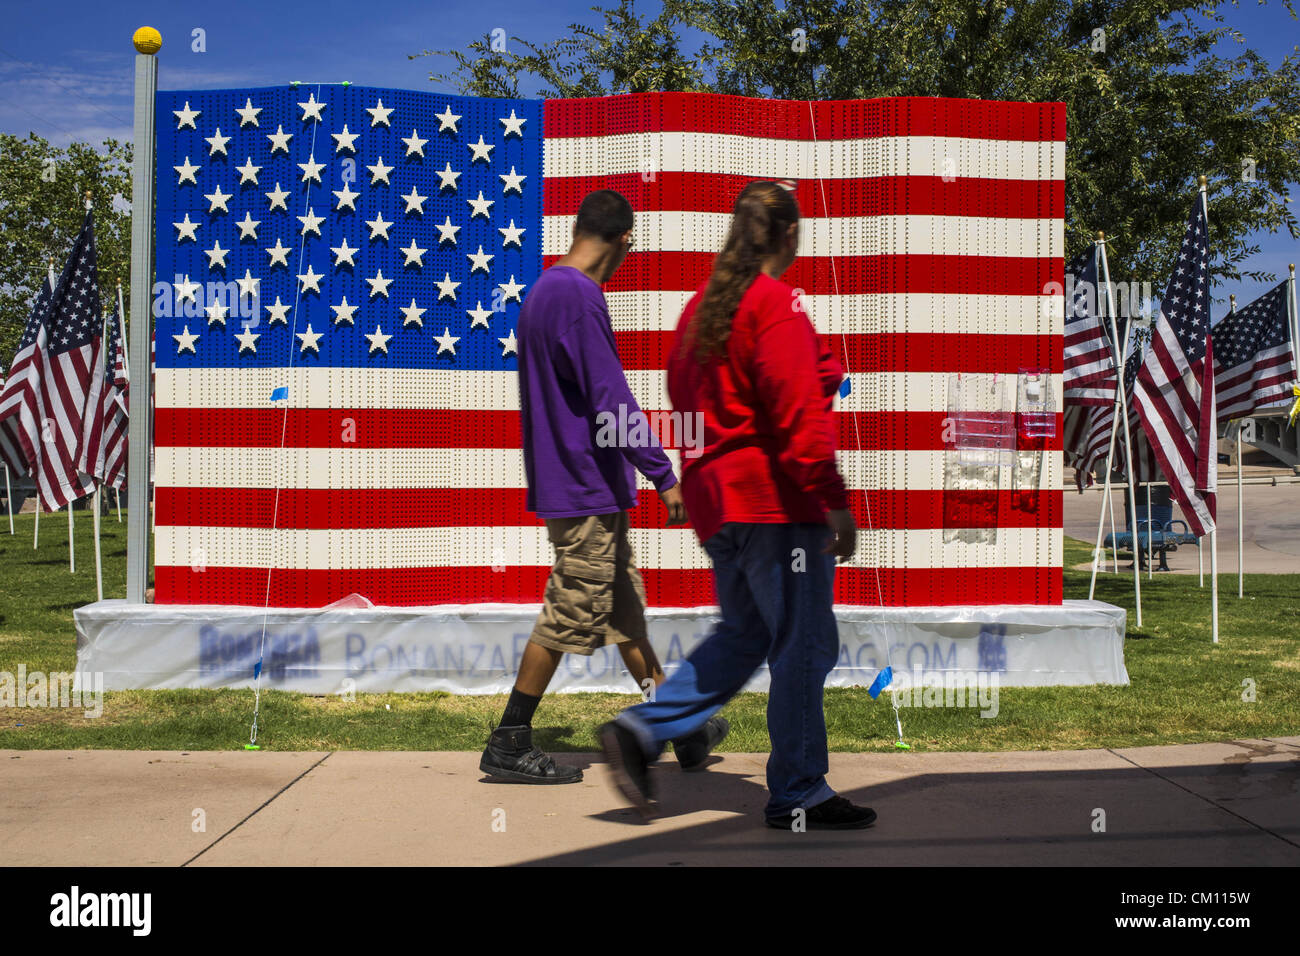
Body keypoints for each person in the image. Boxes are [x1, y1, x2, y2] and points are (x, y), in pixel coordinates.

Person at [597, 181, 877, 830]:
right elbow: (798, 420)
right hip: (776, 506)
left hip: (719, 506)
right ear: (790, 237)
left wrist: (814, 362)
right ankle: (800, 791)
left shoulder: (700, 312)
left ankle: (643, 730)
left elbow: (709, 396)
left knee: (747, 633)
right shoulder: (775, 304)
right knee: (803, 646)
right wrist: (835, 506)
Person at [480, 189, 729, 784]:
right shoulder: (578, 297)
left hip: (580, 484)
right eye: (630, 247)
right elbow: (608, 399)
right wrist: (663, 473)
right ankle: (510, 739)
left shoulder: (543, 290)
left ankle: (680, 727)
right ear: (623, 241)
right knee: (569, 608)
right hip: (584, 486)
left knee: (624, 612)